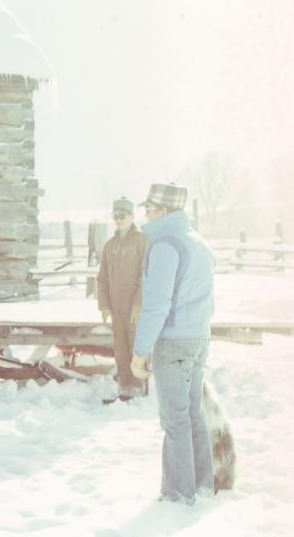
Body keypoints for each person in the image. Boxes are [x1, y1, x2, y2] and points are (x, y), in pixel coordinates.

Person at [131, 182, 216, 505]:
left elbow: (156, 305)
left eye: (149, 209)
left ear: (164, 211)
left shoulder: (166, 246)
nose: (145, 215)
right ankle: (203, 485)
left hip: (174, 341)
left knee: (175, 418)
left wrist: (140, 352)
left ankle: (179, 494)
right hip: (198, 337)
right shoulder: (198, 242)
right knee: (193, 413)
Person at [96, 196, 149, 403]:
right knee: (120, 350)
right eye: (116, 216)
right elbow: (102, 278)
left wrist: (139, 302)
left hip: (135, 308)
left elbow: (147, 274)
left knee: (137, 348)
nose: (119, 220)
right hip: (116, 308)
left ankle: (139, 391)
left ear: (132, 217)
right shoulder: (109, 245)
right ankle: (125, 390)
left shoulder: (141, 241)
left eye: (123, 216)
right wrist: (104, 305)